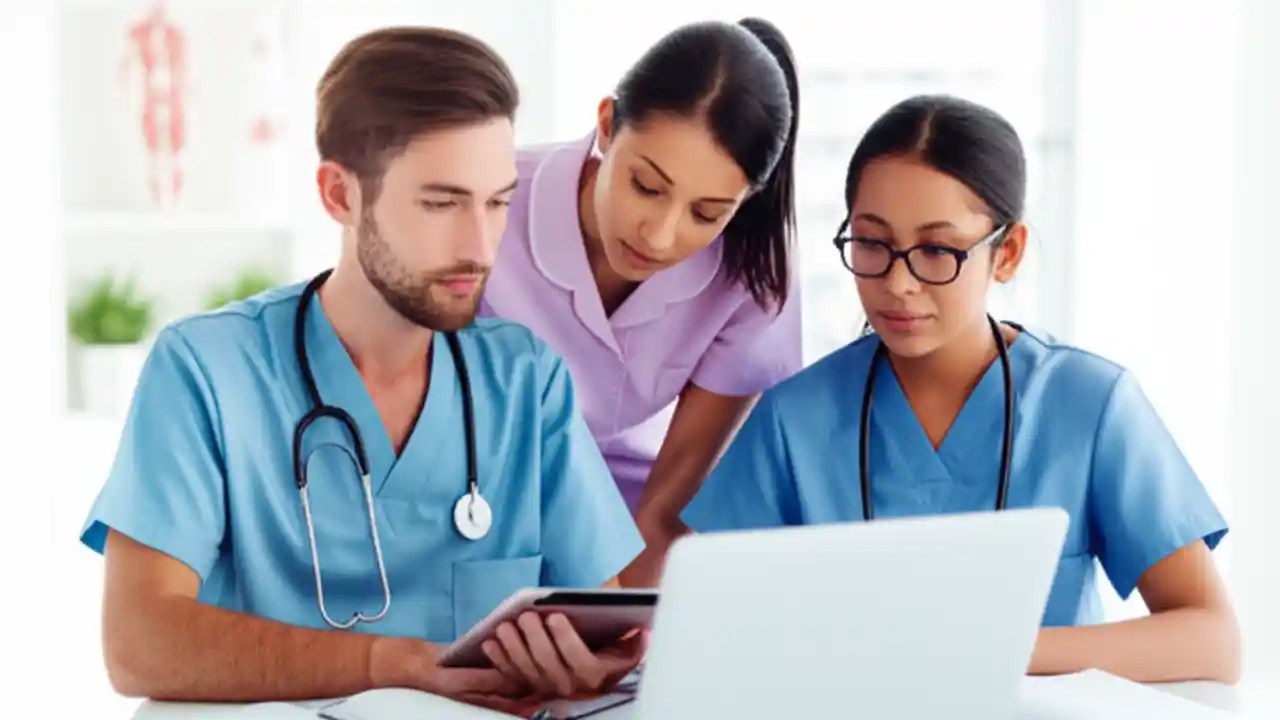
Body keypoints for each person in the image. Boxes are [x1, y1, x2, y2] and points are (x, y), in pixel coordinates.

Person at [79, 27, 646, 709]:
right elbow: (140, 644)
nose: (480, 244)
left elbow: (606, 626)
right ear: (340, 196)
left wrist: (588, 666)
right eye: (441, 203)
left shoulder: (526, 383)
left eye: (497, 201)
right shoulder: (207, 371)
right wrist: (389, 662)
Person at [680, 95, 1242, 684]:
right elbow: (711, 629)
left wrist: (983, 653)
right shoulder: (793, 419)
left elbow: (1211, 638)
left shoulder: (1090, 404)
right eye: (872, 242)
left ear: (1008, 253)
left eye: (937, 250)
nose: (898, 284)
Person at [479, 17, 803, 587]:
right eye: (646, 187)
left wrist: (614, 629)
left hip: (623, 522)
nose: (659, 235)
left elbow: (664, 510)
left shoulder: (753, 274)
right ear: (607, 125)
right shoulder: (488, 201)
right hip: (474, 513)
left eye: (706, 214)